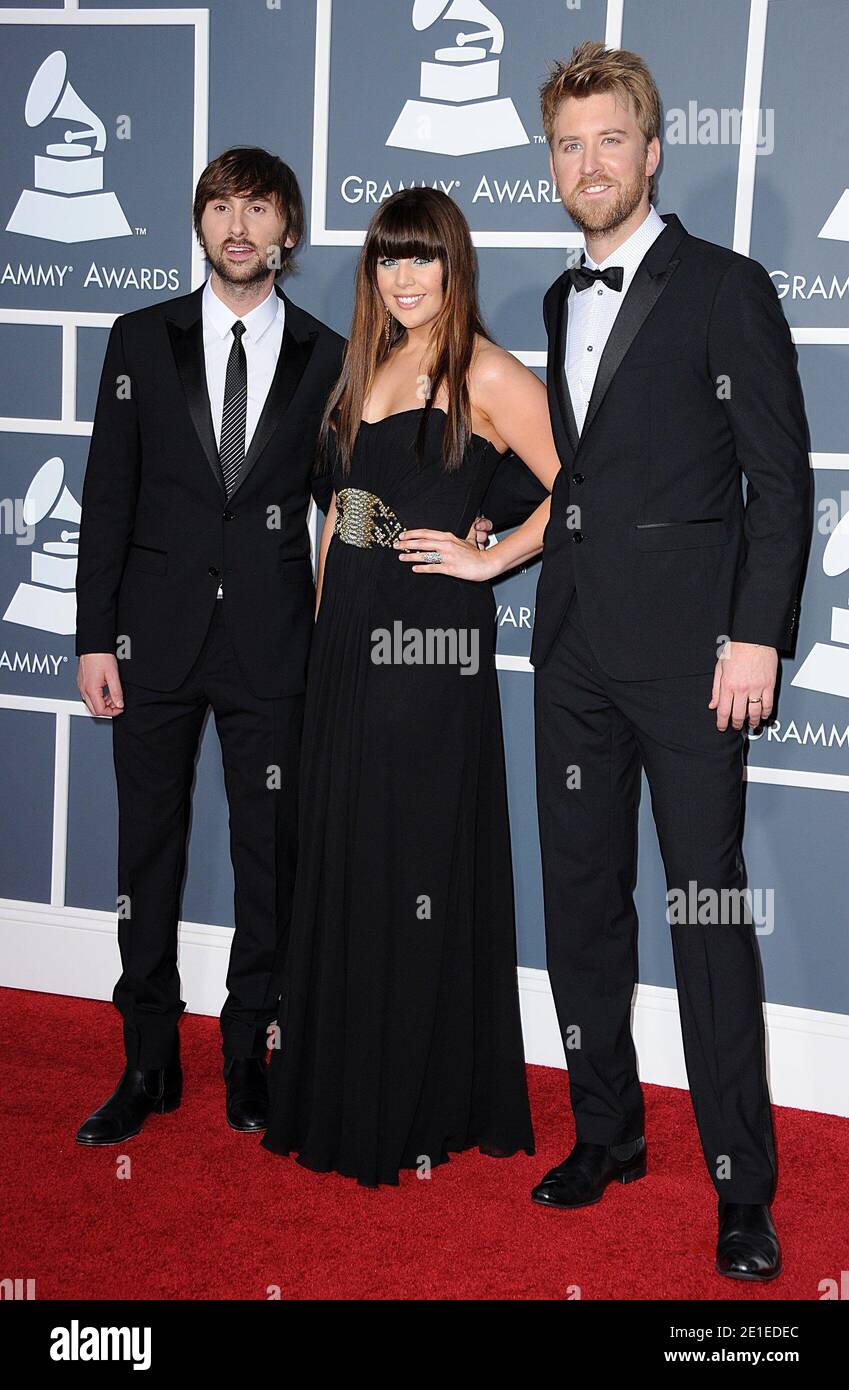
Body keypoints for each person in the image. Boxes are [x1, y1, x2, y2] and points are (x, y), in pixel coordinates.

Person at [530, 43, 811, 1281]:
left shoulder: (726, 285)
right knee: (584, 908)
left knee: (704, 917)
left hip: (697, 661)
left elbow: (782, 481)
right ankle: (607, 1134)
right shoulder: (554, 297)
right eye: (567, 145)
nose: (588, 164)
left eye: (609, 141)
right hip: (576, 650)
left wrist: (755, 633)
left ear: (652, 150)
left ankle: (741, 1187)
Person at [260, 187, 559, 1187]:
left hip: (430, 643)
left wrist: (492, 558)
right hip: (347, 636)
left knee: (410, 853)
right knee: (352, 844)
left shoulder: (479, 364)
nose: (404, 276)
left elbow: (580, 483)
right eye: (389, 258)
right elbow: (346, 515)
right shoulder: (366, 363)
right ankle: (345, 1077)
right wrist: (317, 633)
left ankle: (419, 1098)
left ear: (453, 264)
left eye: (422, 258)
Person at [73, 147, 349, 1143]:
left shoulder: (328, 354)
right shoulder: (139, 338)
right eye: (220, 207)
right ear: (200, 224)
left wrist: (441, 536)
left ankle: (248, 1054)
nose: (238, 225)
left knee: (266, 856)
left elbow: (344, 503)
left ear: (288, 230)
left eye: (258, 208)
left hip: (274, 647)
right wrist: (93, 635)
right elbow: (107, 497)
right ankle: (148, 1061)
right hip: (150, 640)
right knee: (148, 852)